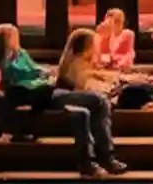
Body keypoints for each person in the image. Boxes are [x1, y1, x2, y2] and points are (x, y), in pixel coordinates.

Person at [53, 28, 127, 175]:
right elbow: (80, 88)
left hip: (75, 97)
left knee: (101, 105)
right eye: (94, 44)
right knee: (100, 101)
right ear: (87, 46)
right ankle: (106, 157)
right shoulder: (76, 62)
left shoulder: (83, 62)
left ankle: (106, 157)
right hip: (63, 96)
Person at [0, 23, 55, 142]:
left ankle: (28, 127)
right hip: (16, 89)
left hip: (32, 85)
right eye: (12, 36)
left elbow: (34, 68)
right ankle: (16, 130)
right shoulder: (0, 62)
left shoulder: (22, 54)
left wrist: (45, 71)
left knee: (47, 87)